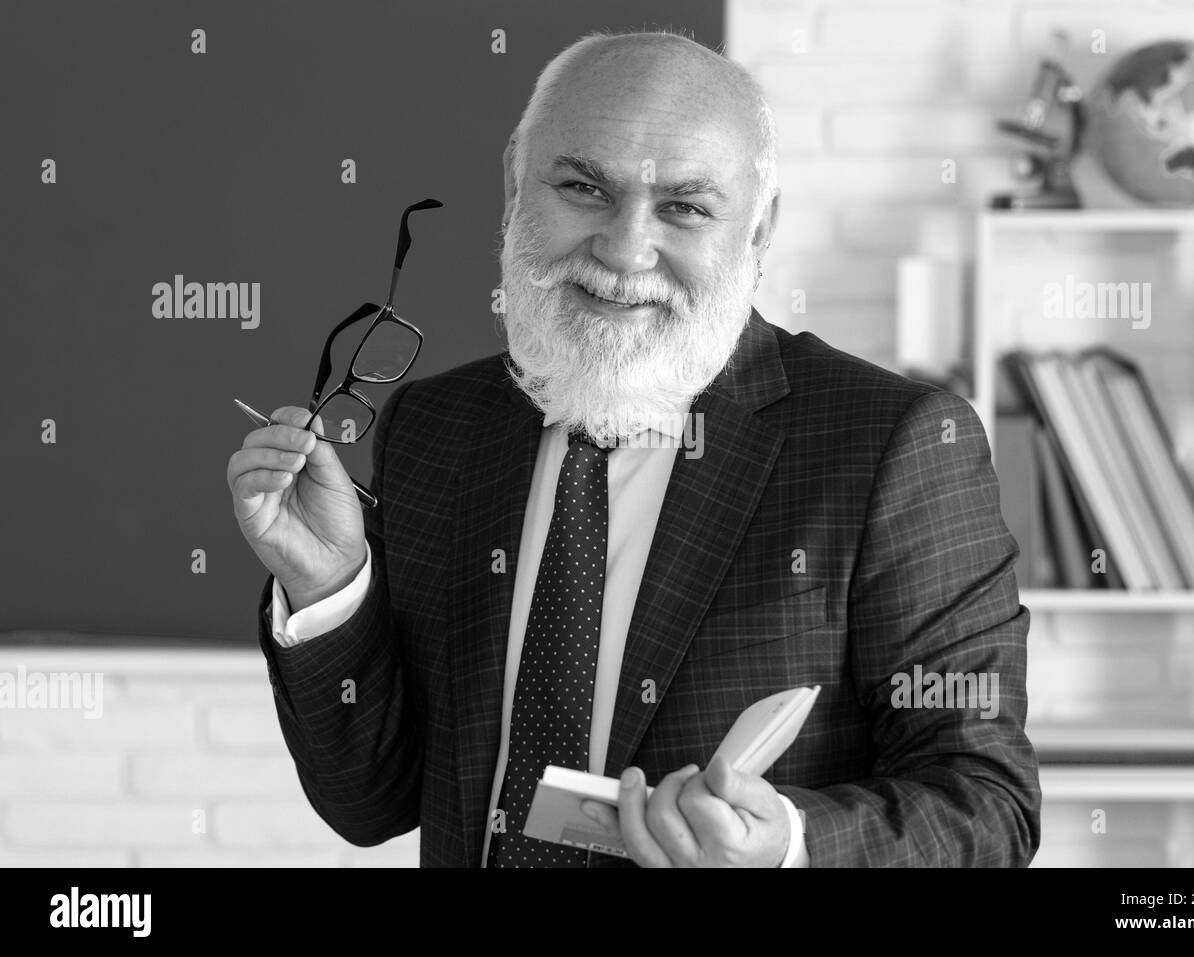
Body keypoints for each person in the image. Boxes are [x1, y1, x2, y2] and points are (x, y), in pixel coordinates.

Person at [227, 29, 1040, 868]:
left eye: (684, 207)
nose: (624, 251)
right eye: (584, 187)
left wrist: (789, 845)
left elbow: (984, 804)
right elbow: (372, 801)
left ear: (759, 228)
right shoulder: (434, 428)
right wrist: (326, 587)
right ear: (514, 184)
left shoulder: (894, 444)